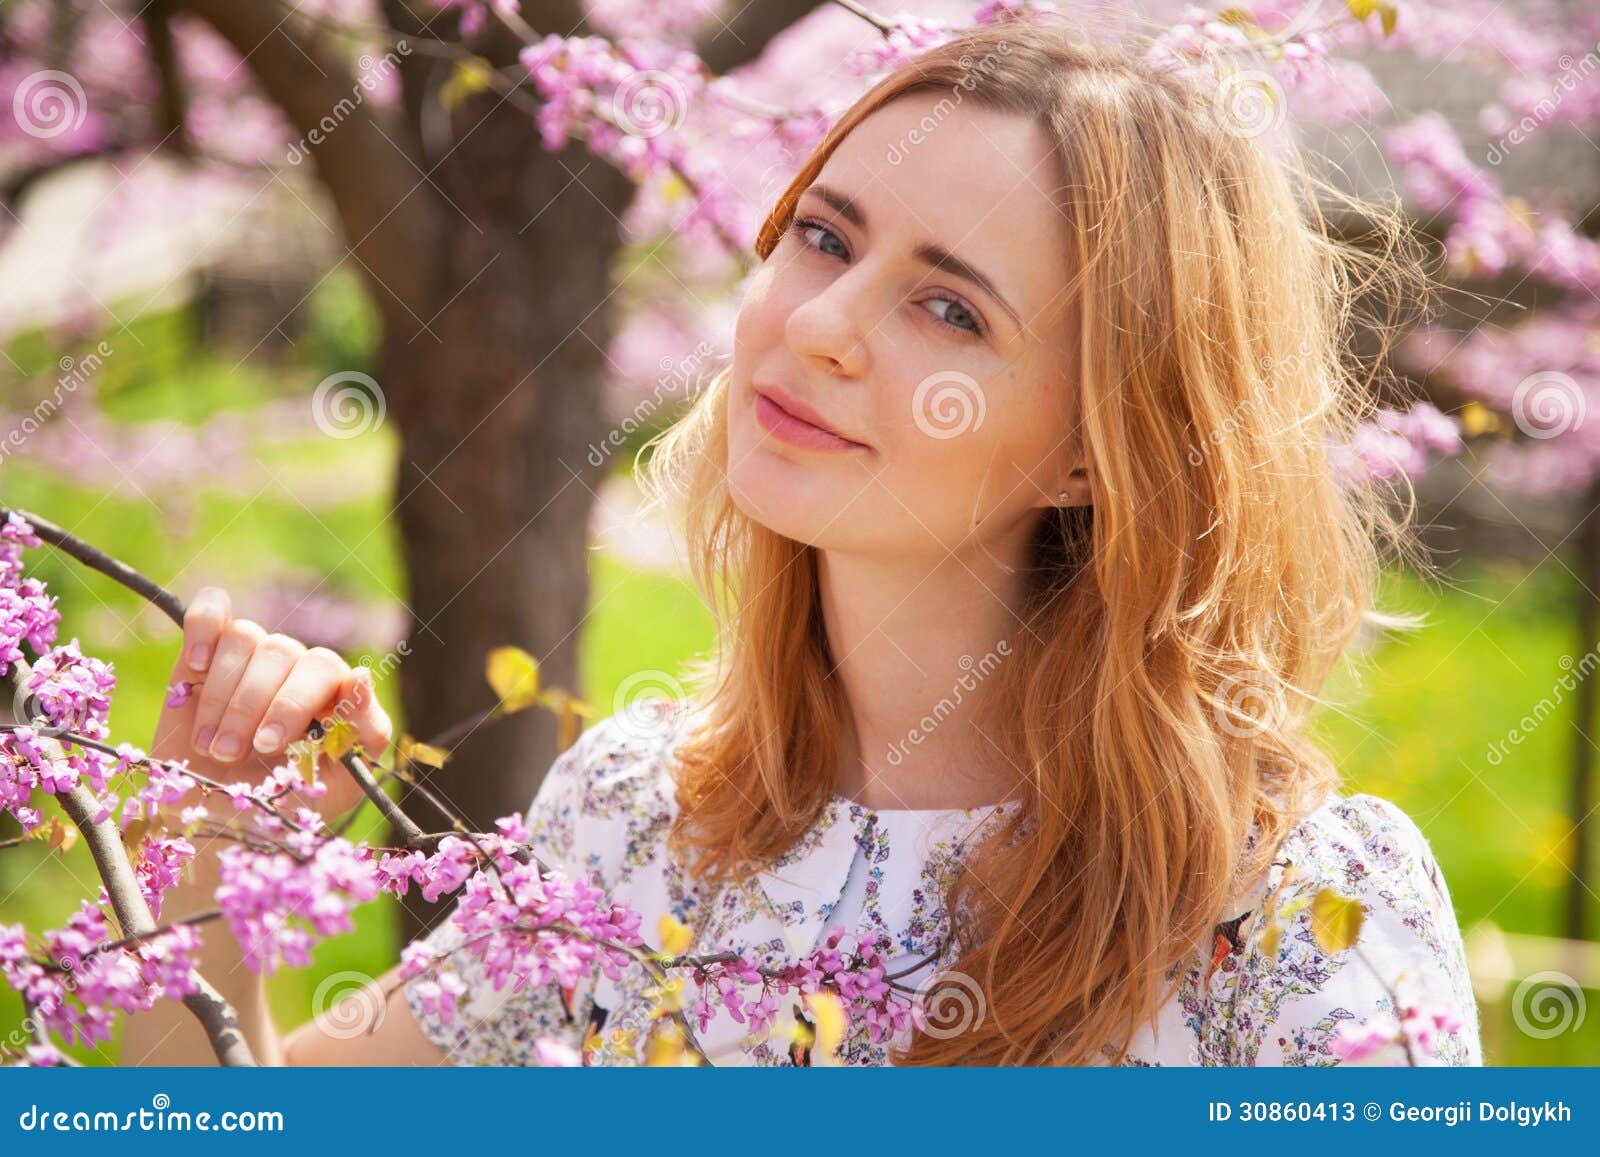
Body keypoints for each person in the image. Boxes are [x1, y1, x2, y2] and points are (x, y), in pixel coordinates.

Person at [122, 19, 1481, 1067]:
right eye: (824, 237)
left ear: (1096, 448)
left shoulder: (1297, 916)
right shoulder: (637, 830)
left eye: (951, 311)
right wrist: (202, 859)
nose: (824, 323)